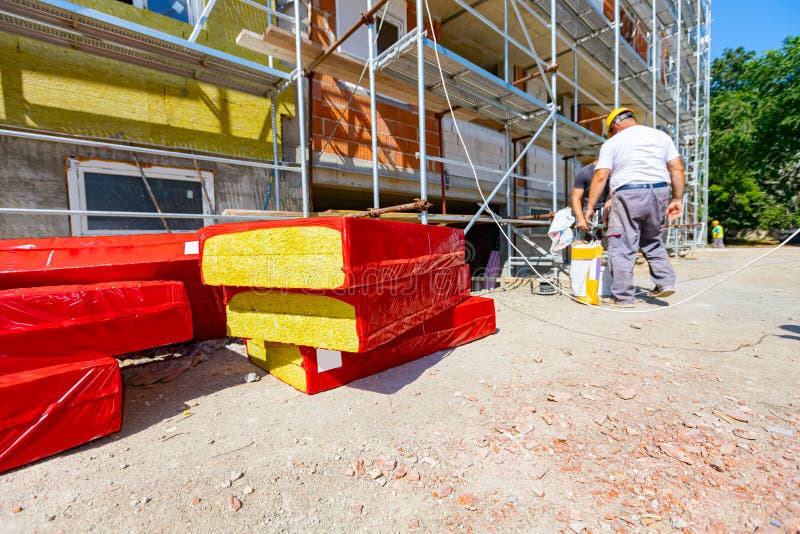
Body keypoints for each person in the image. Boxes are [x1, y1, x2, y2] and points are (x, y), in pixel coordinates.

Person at [584, 107, 685, 307]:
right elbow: (677, 169)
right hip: (659, 191)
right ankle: (665, 282)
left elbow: (601, 176)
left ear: (615, 126)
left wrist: (590, 207)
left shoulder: (612, 143)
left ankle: (623, 297)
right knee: (653, 239)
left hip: (628, 192)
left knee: (622, 245)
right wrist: (677, 198)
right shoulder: (661, 137)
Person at [571, 158, 611, 238]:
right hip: (587, 210)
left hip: (605, 208)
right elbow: (576, 198)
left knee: (605, 241)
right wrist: (580, 219)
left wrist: (605, 216)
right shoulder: (584, 173)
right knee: (587, 240)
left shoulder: (612, 172)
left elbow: (610, 196)